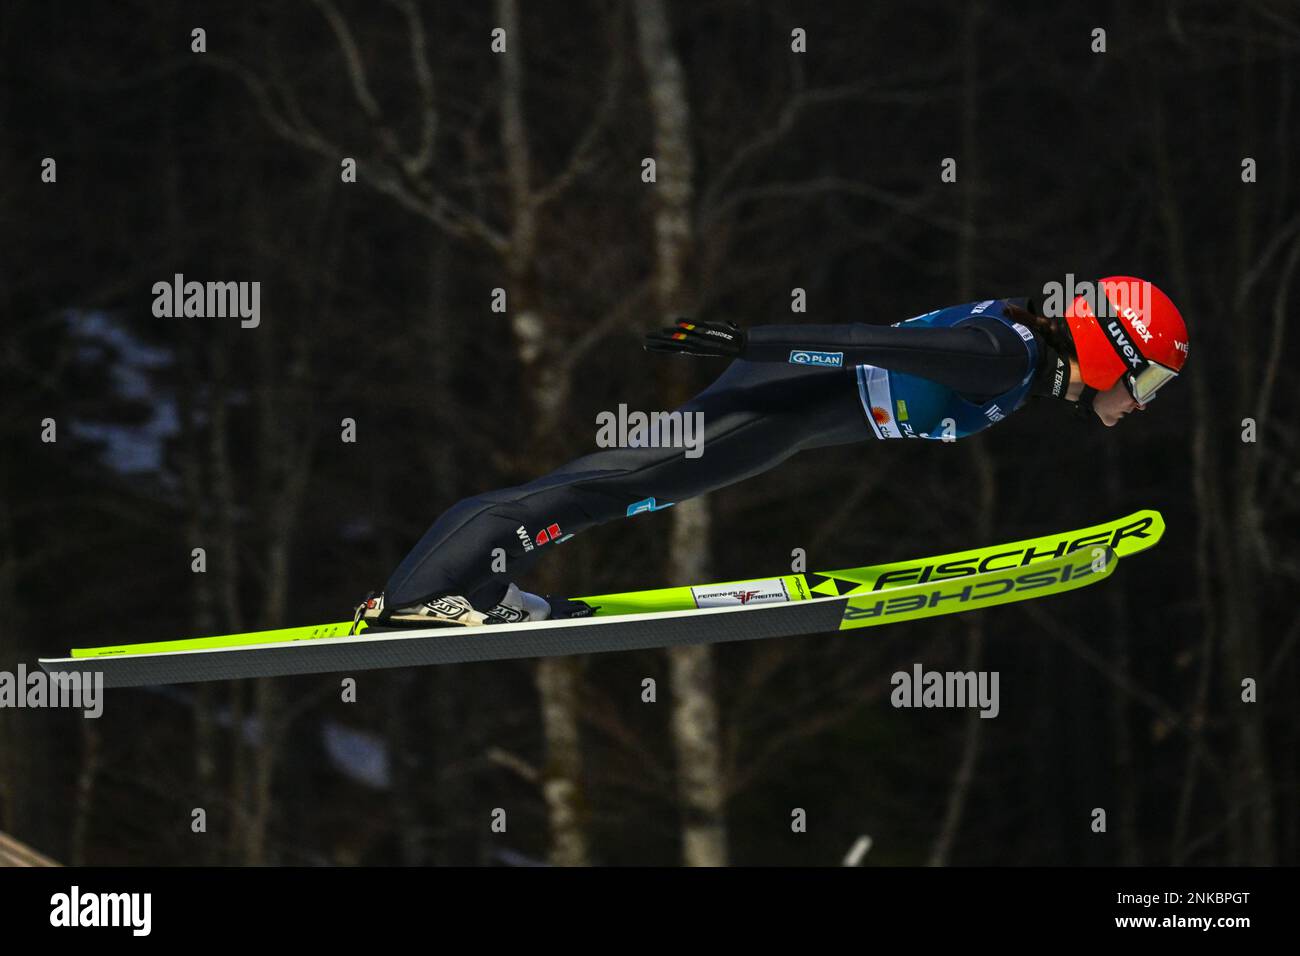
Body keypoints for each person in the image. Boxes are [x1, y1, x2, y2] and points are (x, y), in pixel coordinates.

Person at [354, 275, 1188, 629]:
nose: (1135, 404)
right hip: (781, 398)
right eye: (1143, 382)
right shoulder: (1007, 354)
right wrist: (755, 340)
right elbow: (870, 343)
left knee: (613, 488)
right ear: (1109, 344)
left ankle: (475, 582)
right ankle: (422, 593)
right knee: (610, 486)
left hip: (788, 414)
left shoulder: (1024, 357)